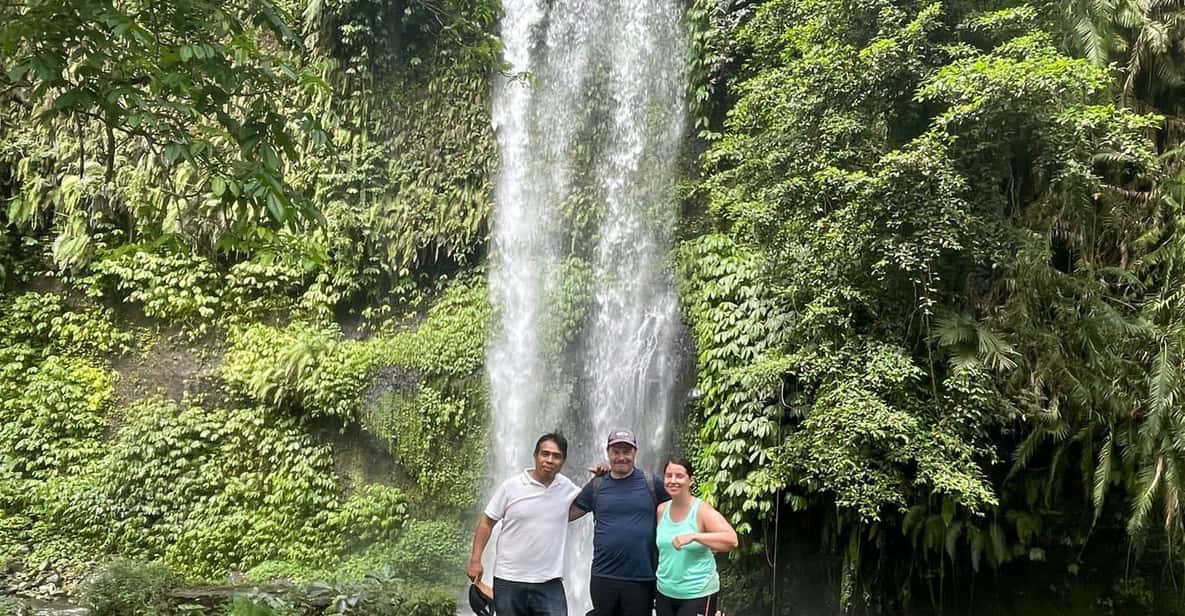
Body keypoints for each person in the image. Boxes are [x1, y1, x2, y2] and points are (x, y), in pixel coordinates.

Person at [468, 433, 581, 615]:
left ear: (563, 461)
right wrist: (475, 560)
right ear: (535, 455)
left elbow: (587, 503)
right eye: (545, 454)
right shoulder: (511, 487)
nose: (550, 460)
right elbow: (486, 522)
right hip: (509, 580)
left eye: (556, 456)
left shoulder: (568, 489)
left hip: (549, 582)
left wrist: (602, 476)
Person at [569, 429, 670, 616]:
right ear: (608, 453)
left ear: (635, 453)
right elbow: (566, 515)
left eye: (627, 451)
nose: (621, 457)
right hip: (603, 577)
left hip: (642, 577)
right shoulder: (596, 485)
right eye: (616, 452)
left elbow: (680, 510)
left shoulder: (652, 483)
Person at [654, 456, 738, 616]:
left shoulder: (701, 511)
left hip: (697, 593)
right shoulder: (661, 510)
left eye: (679, 476)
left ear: (691, 480)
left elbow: (731, 540)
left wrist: (695, 536)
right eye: (668, 475)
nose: (673, 480)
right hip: (664, 592)